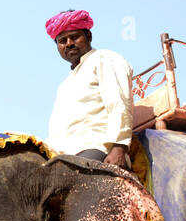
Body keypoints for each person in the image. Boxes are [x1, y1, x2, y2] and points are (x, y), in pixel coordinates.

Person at [44, 9, 134, 169]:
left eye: (75, 37)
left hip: (96, 146)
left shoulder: (104, 58)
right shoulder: (65, 83)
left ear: (89, 36)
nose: (69, 43)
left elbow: (118, 103)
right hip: (63, 155)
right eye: (62, 40)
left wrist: (119, 146)